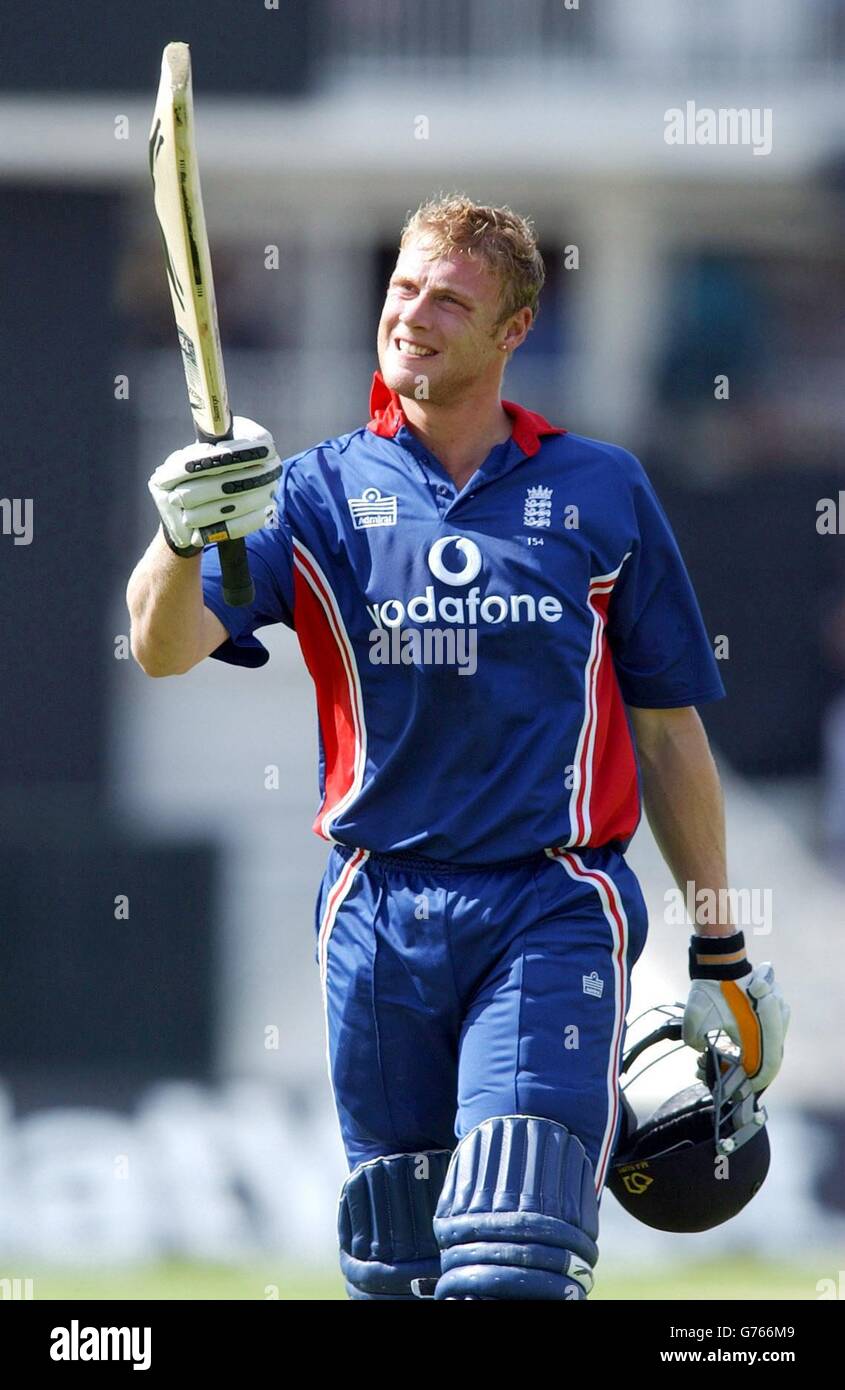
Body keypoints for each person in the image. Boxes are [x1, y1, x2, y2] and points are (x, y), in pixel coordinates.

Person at [126, 195, 789, 1300]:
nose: (413, 316)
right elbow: (163, 645)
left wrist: (718, 947)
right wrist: (177, 534)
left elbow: (668, 731)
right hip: (374, 912)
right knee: (397, 1270)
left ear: (512, 330)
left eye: (448, 299)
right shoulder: (319, 491)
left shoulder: (600, 490)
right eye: (401, 289)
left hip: (548, 903)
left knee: (510, 1261)